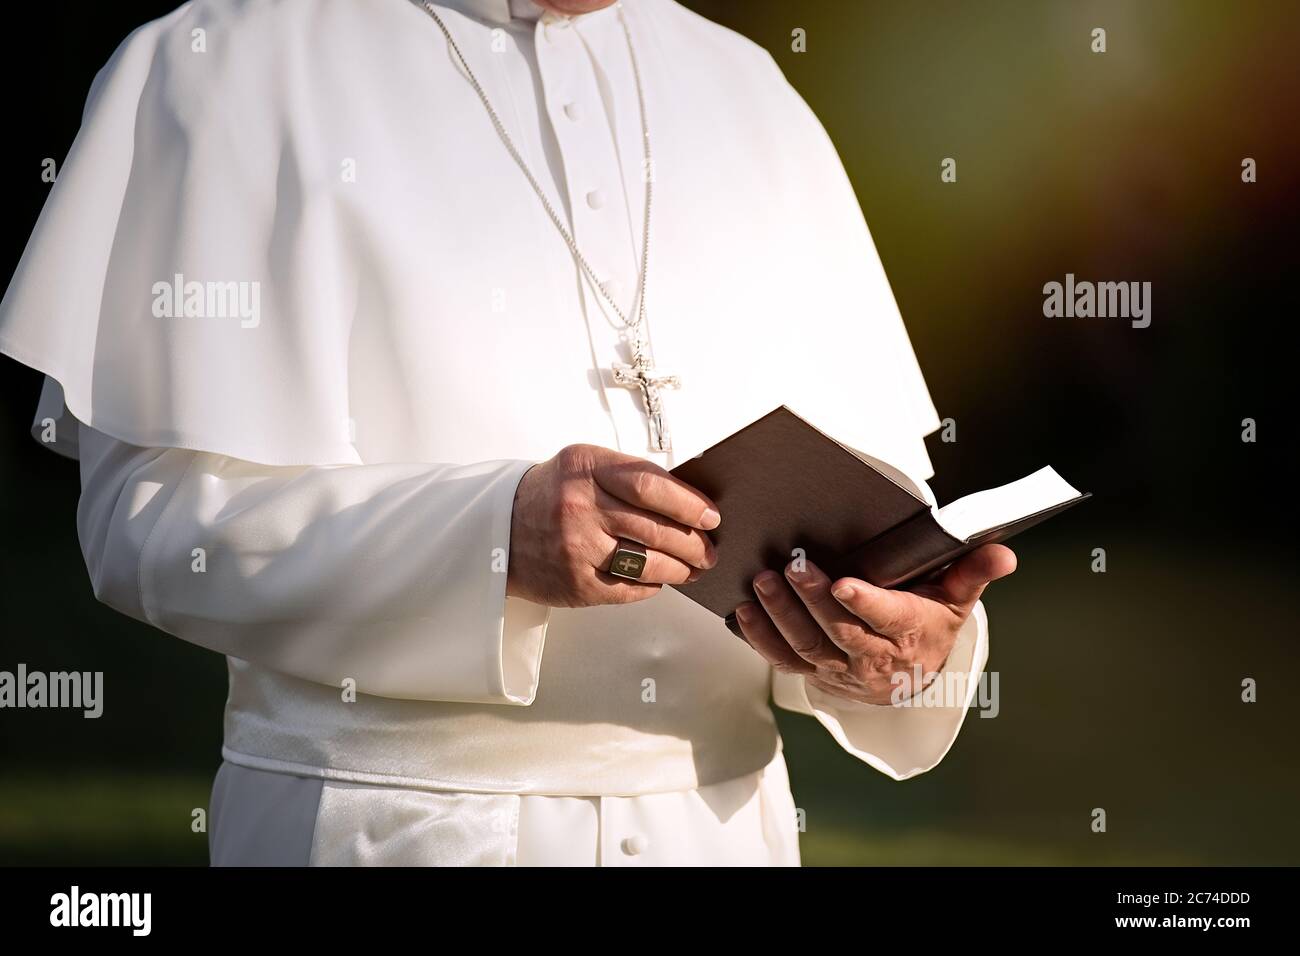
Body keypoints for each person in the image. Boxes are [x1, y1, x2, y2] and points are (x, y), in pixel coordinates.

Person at [0, 0, 1014, 865]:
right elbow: (148, 525)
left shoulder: (749, 91)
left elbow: (873, 513)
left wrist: (893, 640)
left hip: (720, 830)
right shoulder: (227, 61)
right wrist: (490, 534)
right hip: (389, 829)